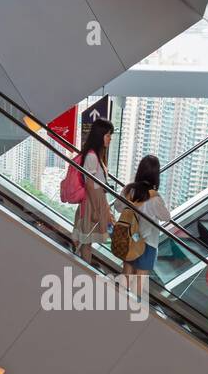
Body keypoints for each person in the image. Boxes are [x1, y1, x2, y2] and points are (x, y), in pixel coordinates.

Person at [121, 155, 171, 294]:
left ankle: (119, 305)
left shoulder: (128, 190)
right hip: (147, 243)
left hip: (128, 238)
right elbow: (166, 217)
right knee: (139, 280)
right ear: (156, 175)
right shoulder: (154, 197)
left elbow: (119, 207)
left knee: (126, 273)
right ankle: (132, 309)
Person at [72, 117, 114, 264]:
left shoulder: (96, 155)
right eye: (108, 135)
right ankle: (84, 269)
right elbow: (89, 184)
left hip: (95, 201)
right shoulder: (92, 156)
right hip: (91, 203)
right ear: (100, 135)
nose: (110, 139)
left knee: (87, 239)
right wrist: (97, 209)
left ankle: (84, 268)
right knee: (86, 241)